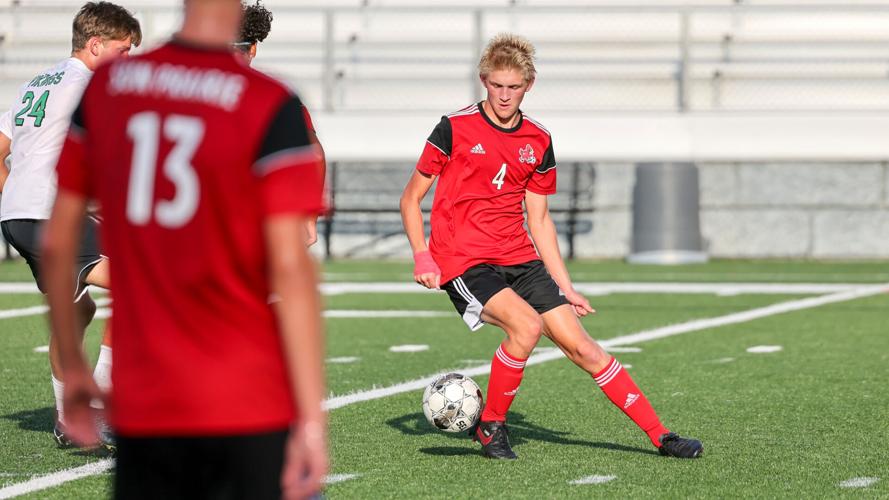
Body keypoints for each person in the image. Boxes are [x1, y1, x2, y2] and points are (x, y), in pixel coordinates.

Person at [42, 0, 328, 498]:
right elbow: (292, 270)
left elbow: (60, 240)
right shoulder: (268, 100)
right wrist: (308, 417)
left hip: (146, 400)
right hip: (243, 391)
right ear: (251, 37)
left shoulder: (110, 88)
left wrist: (72, 366)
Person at [400, 33, 703, 460]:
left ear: (530, 84)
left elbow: (539, 219)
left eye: (514, 87)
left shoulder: (538, 140)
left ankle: (661, 436)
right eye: (496, 85)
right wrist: (422, 255)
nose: (504, 95)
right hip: (464, 261)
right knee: (525, 327)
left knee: (584, 348)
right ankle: (491, 426)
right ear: (483, 80)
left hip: (520, 258)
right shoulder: (454, 127)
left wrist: (566, 286)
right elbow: (410, 198)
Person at [0, 1, 141, 449]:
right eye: (123, 50)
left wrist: (14, 193)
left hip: (19, 216)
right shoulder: (89, 87)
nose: (127, 62)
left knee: (79, 311)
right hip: (45, 214)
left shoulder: (38, 82)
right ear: (96, 45)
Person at [233, 0, 328, 247]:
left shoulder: (197, 94)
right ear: (253, 49)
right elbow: (314, 153)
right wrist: (309, 217)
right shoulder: (276, 97)